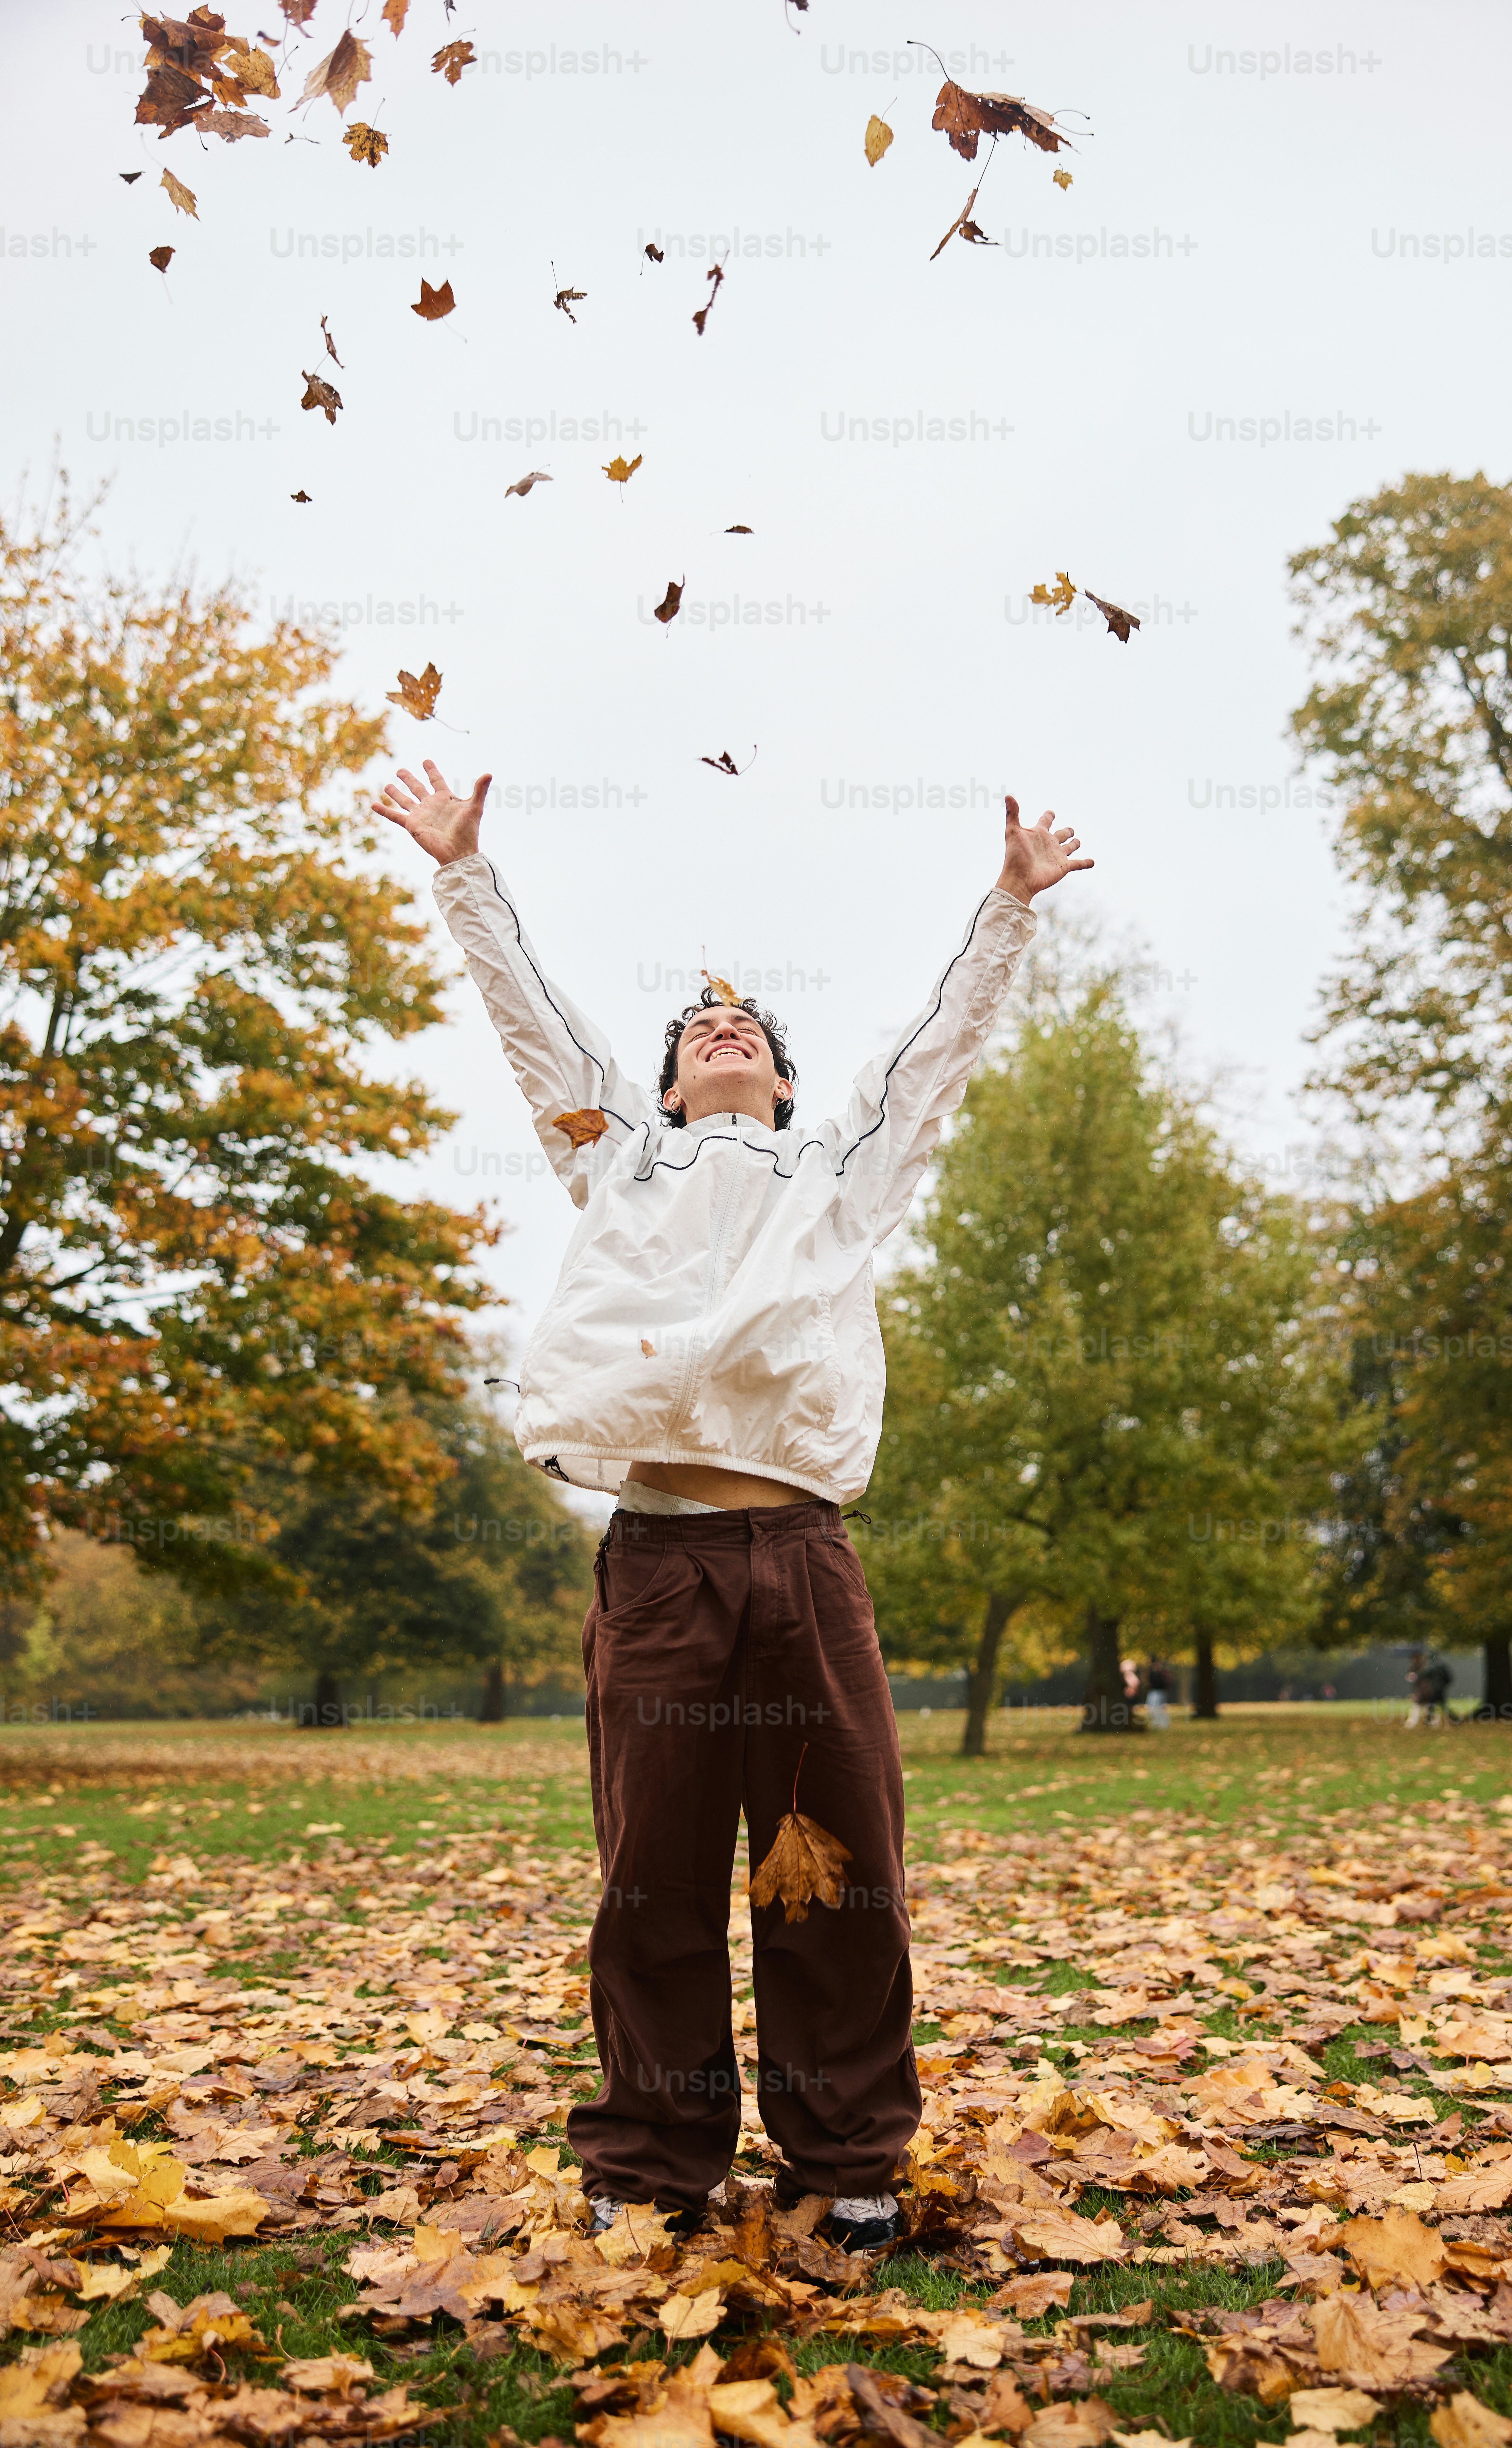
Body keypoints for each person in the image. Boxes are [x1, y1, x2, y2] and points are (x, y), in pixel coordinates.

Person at [371, 758, 1093, 2252]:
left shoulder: (837, 1173)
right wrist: (461, 873)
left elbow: (935, 1052)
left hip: (801, 1554)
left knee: (832, 1867)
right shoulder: (621, 1159)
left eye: (751, 1029)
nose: (726, 1025)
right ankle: (655, 2157)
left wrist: (1009, 902)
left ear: (778, 1079)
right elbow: (531, 1023)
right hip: (660, 1562)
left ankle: (847, 2158)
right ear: (660, 1083)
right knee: (653, 1873)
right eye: (702, 1024)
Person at [1145, 1659, 1171, 1732]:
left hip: (1159, 1692)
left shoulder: (1160, 1675)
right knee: (1153, 1708)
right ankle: (1157, 1723)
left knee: (1160, 1708)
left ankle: (1162, 1724)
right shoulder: (1153, 1674)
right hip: (1155, 1692)